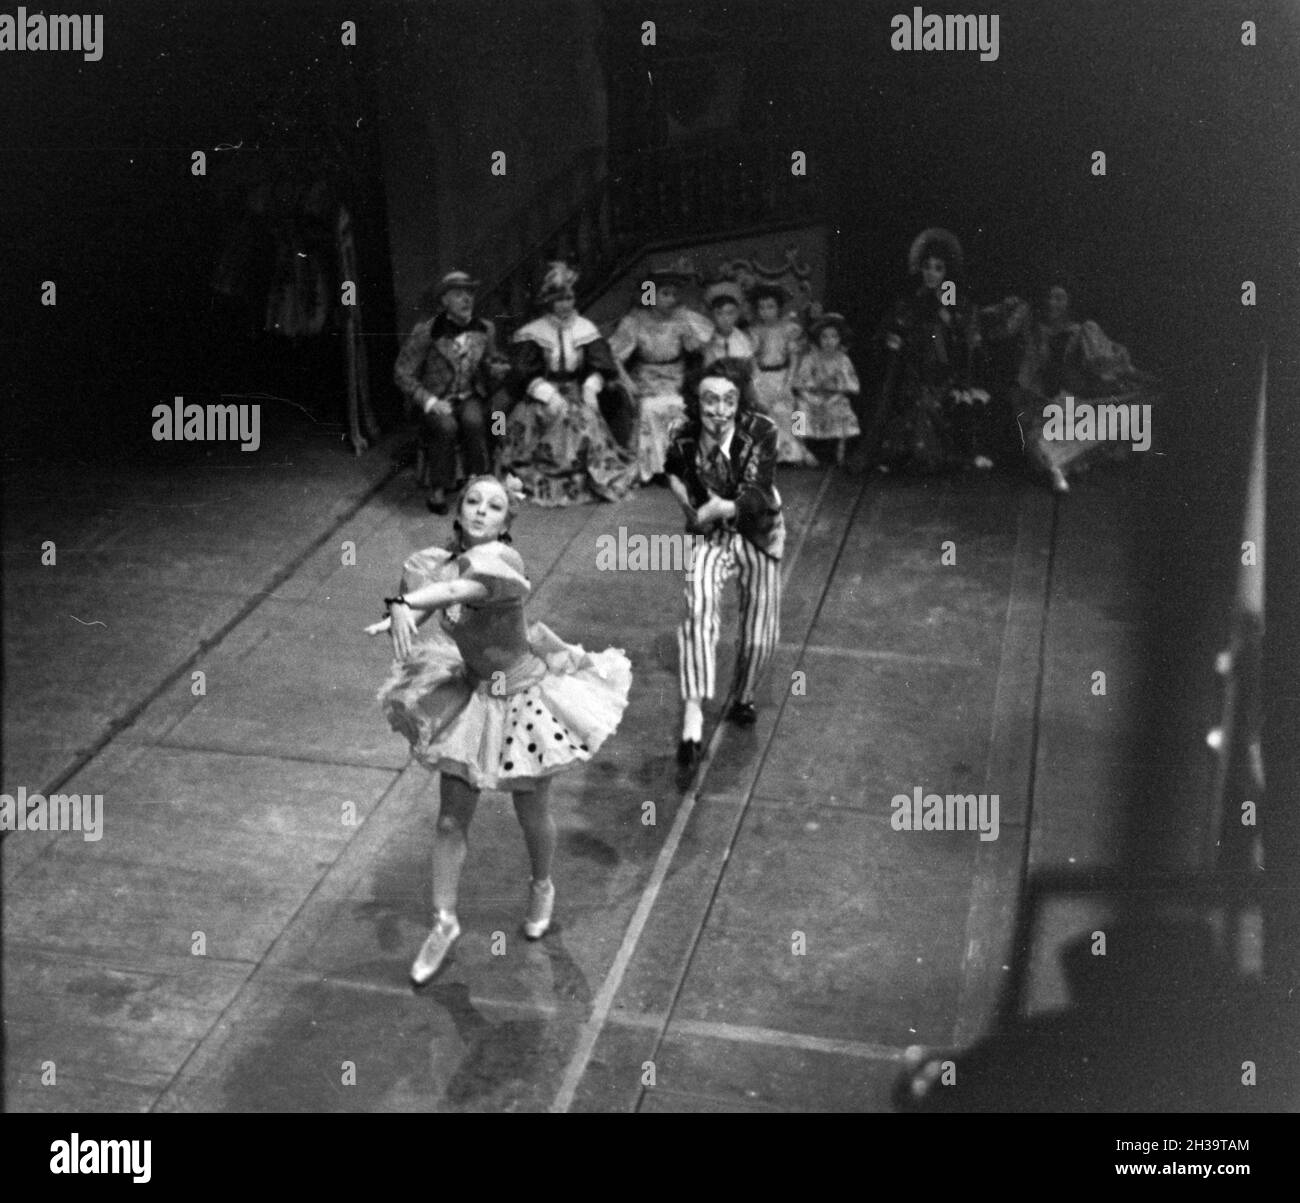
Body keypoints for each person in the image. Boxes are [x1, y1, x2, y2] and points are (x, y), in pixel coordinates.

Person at [372, 474, 633, 983]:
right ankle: (443, 920)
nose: (480, 511)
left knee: (530, 811)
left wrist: (408, 604)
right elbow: (433, 596)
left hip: (523, 699)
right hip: (471, 695)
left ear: (506, 522)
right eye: (472, 501)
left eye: (493, 507)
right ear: (459, 508)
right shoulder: (433, 563)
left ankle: (541, 885)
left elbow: (457, 590)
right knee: (450, 819)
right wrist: (398, 612)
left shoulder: (503, 565)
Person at [665, 358, 784, 789]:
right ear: (696, 403)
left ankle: (744, 695)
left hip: (757, 530)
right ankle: (693, 717)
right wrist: (688, 505)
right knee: (697, 607)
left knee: (758, 633)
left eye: (728, 400)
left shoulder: (762, 430)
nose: (719, 409)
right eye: (709, 400)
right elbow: (674, 472)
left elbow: (757, 489)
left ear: (740, 402)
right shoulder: (682, 434)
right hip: (710, 534)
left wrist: (723, 506)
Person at [991, 283, 1160, 493]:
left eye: (1059, 298)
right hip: (1033, 399)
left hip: (1066, 400)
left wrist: (1144, 378)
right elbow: (998, 330)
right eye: (1048, 297)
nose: (1052, 303)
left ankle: (1062, 466)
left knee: (1116, 412)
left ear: (1070, 301)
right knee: (1034, 436)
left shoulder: (1081, 331)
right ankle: (1053, 467)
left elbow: (1105, 365)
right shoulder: (1029, 326)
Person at [500, 261, 637, 506]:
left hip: (576, 392)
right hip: (540, 395)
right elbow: (522, 372)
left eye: (570, 298)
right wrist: (547, 394)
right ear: (549, 302)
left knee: (582, 421)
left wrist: (591, 386)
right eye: (560, 299)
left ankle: (587, 479)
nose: (566, 304)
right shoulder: (533, 332)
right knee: (541, 422)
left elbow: (602, 364)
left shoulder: (585, 328)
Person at [394, 270, 511, 513]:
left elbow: (490, 361)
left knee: (474, 420)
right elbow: (402, 373)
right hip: (438, 399)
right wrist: (429, 401)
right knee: (446, 426)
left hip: (469, 395)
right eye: (458, 295)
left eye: (469, 294)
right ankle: (438, 489)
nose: (466, 300)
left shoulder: (484, 329)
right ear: (444, 300)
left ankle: (478, 483)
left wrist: (496, 368)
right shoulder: (427, 331)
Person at [875, 229, 991, 473]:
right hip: (914, 368)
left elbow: (960, 333)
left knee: (930, 402)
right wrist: (894, 337)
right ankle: (902, 455)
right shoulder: (912, 298)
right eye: (927, 267)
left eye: (938, 268)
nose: (931, 273)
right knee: (911, 401)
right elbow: (897, 326)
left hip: (945, 370)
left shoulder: (951, 297)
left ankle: (940, 455)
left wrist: (945, 319)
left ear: (946, 271)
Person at [610, 259, 714, 482]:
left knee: (677, 408)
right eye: (665, 294)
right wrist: (627, 382)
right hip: (646, 378)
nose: (671, 300)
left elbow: (697, 347)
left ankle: (678, 465)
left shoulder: (682, 318)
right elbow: (616, 356)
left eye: (674, 294)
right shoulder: (635, 321)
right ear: (652, 294)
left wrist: (689, 333)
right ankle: (653, 469)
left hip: (677, 377)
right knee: (650, 409)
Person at [748, 283, 817, 466]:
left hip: (783, 375)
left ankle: (799, 449)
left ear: (778, 308)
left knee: (795, 410)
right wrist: (756, 382)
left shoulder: (788, 329)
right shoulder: (754, 331)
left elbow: (793, 356)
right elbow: (752, 359)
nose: (766, 312)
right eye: (762, 307)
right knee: (764, 411)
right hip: (762, 377)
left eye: (770, 307)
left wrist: (789, 381)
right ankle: (768, 452)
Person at [791, 312, 861, 465]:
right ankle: (803, 450)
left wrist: (831, 400)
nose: (829, 341)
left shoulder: (843, 359)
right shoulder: (810, 358)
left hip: (833, 398)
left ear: (840, 339)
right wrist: (810, 399)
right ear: (818, 338)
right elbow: (800, 384)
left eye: (834, 337)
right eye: (825, 337)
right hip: (811, 397)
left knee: (842, 407)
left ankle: (840, 449)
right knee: (799, 411)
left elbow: (847, 387)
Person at [702, 281, 757, 372]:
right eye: (719, 313)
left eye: (730, 313)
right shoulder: (707, 338)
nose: (725, 319)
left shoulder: (743, 339)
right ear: (712, 315)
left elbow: (750, 367)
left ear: (737, 314)